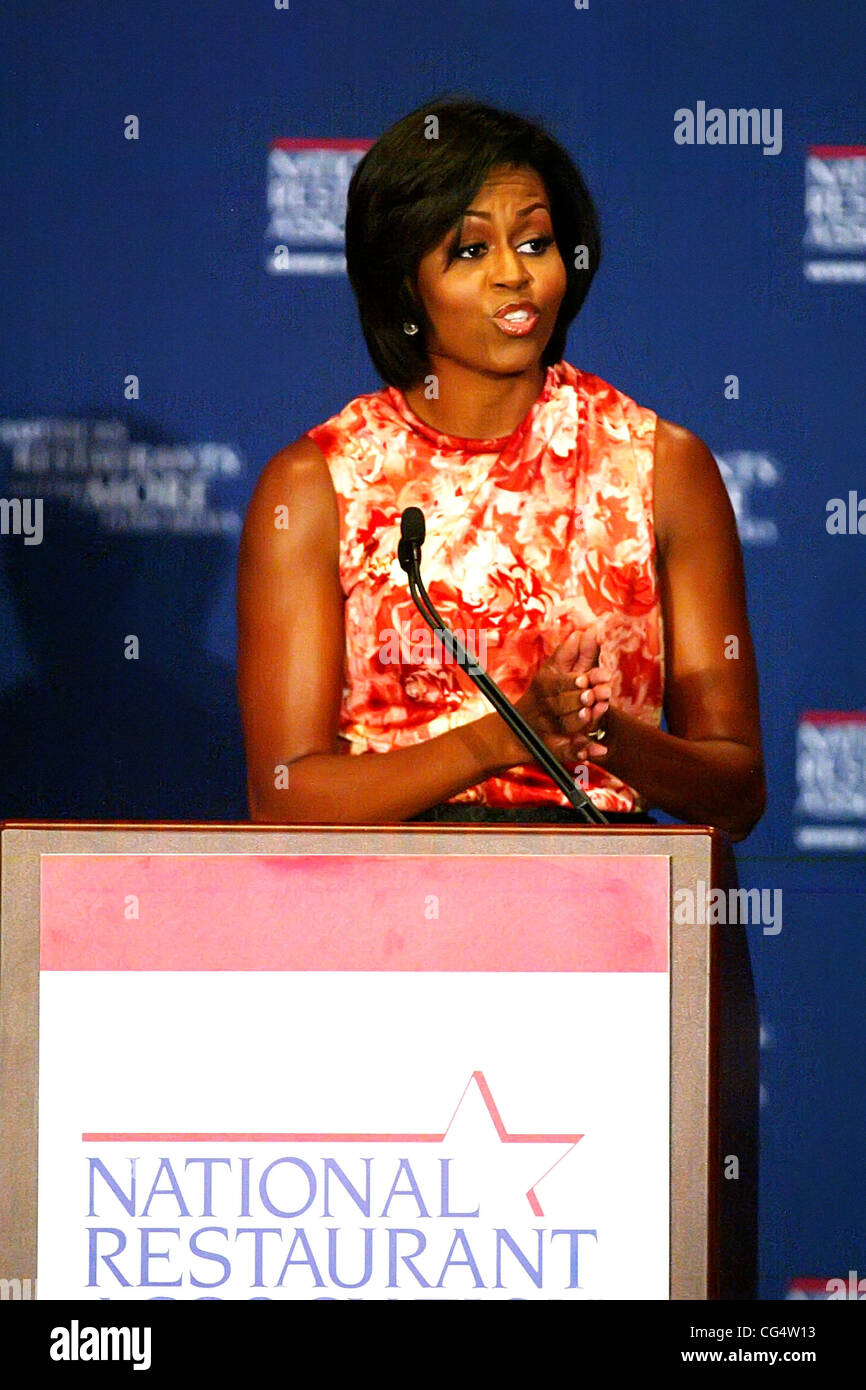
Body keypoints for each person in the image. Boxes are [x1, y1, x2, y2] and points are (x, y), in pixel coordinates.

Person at [237, 98, 765, 839]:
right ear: (404, 285)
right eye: (471, 251)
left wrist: (594, 728)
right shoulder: (317, 484)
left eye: (536, 242)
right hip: (382, 923)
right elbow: (285, 796)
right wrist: (508, 736)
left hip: (610, 919)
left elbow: (736, 792)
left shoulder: (658, 465)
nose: (514, 276)